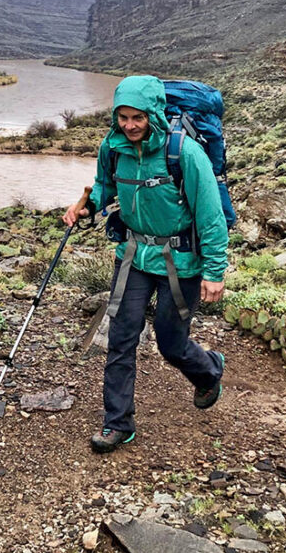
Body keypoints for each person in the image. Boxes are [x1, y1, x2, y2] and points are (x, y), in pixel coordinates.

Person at [63, 75, 228, 452]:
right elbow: (105, 187)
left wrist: (215, 271)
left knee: (172, 343)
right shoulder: (113, 146)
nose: (130, 125)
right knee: (121, 338)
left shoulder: (184, 153)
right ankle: (117, 422)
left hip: (181, 260)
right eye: (122, 117)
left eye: (137, 117)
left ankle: (208, 370)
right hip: (134, 254)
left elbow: (211, 216)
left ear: (153, 113)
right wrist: (85, 206)